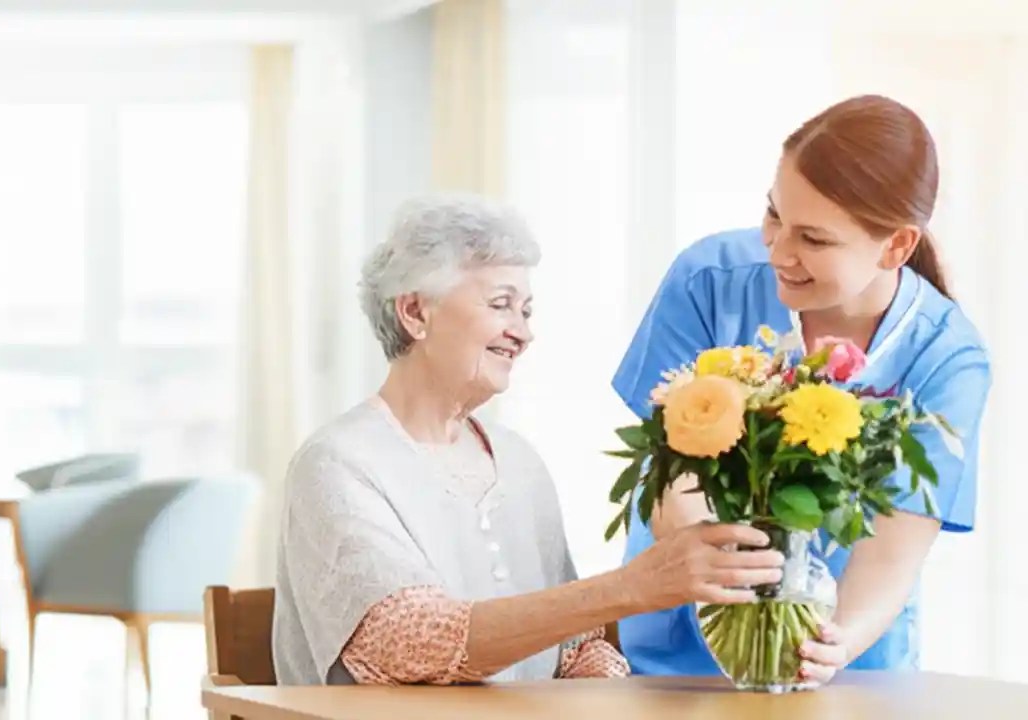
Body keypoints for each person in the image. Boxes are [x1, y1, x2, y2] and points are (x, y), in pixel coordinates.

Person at [272, 194, 786, 686]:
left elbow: (576, 647)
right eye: (501, 305)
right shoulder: (339, 463)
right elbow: (405, 643)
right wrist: (631, 587)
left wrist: (602, 687)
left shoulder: (518, 462)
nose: (523, 332)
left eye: (526, 311)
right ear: (415, 312)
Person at [612, 94, 992, 683]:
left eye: (813, 239)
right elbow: (673, 476)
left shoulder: (947, 356)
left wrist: (833, 644)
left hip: (845, 663)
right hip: (676, 654)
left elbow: (896, 545)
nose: (779, 252)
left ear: (896, 245)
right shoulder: (709, 281)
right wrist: (734, 592)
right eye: (774, 217)